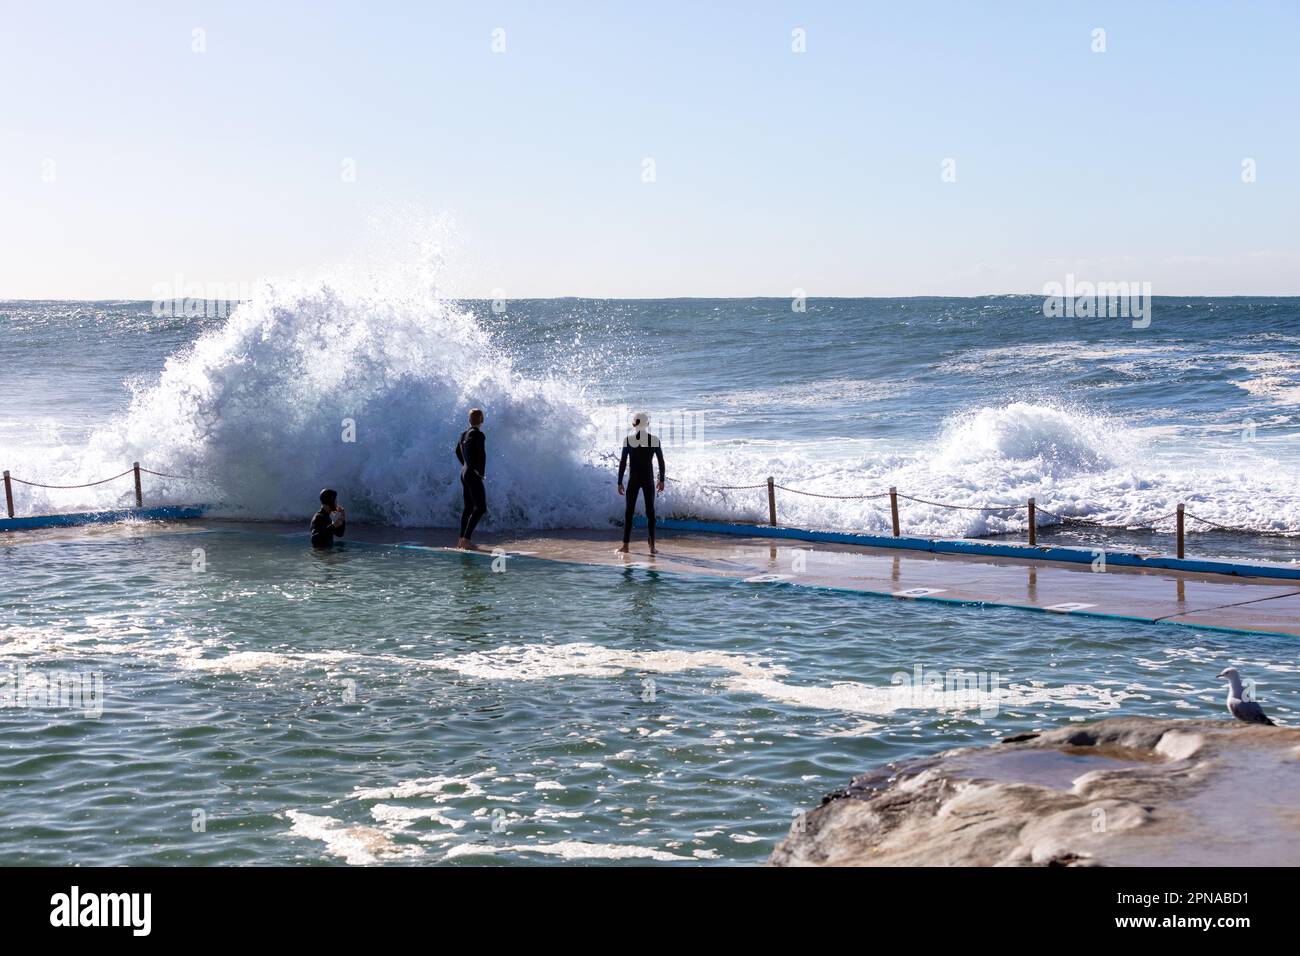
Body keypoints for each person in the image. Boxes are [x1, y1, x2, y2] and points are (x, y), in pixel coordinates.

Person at [617, 411, 665, 554]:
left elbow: (623, 462)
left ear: (633, 424)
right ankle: (652, 547)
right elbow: (661, 462)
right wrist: (661, 479)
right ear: (647, 424)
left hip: (634, 480)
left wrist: (619, 481)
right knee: (650, 513)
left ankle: (625, 546)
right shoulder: (654, 440)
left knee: (629, 513)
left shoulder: (628, 440)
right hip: (648, 480)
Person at [455, 407, 487, 549]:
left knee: (468, 507)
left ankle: (461, 540)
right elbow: (481, 454)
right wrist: (479, 471)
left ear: (469, 420)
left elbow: (457, 451)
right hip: (472, 474)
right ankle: (466, 540)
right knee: (481, 508)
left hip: (464, 473)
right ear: (482, 420)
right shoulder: (479, 435)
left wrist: (466, 465)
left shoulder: (463, 434)